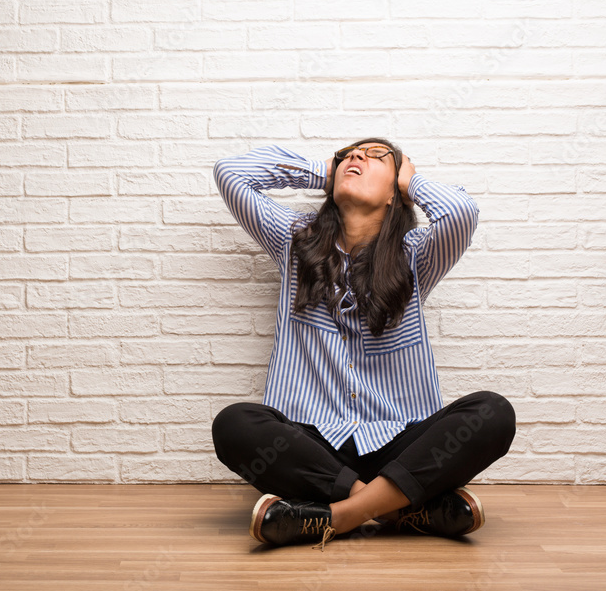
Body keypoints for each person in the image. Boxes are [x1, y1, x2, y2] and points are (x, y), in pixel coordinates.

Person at [210, 138, 516, 551]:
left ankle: (331, 517)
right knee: (234, 425)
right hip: (314, 450)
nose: (356, 157)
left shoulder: (417, 256)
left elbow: (462, 212)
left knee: (492, 412)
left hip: (399, 446)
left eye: (376, 156)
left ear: (395, 192)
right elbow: (230, 173)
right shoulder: (293, 242)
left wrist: (410, 180)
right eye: (349, 154)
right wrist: (327, 170)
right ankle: (400, 510)